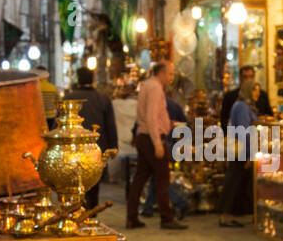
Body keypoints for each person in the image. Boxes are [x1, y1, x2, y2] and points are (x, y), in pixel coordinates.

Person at [125, 59, 187, 231]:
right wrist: (157, 143)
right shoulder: (155, 88)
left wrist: (167, 123)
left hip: (145, 136)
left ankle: (132, 217)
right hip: (151, 139)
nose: (172, 77)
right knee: (162, 178)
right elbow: (151, 117)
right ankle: (166, 218)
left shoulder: (148, 85)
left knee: (140, 178)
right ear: (162, 73)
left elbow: (151, 116)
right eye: (171, 73)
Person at [64, 67, 118, 209]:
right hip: (96, 147)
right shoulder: (103, 98)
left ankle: (72, 211)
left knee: (70, 183)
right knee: (93, 182)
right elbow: (110, 124)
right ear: (93, 79)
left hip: (71, 148)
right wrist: (113, 146)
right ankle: (91, 213)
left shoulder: (69, 98)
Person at [140, 93, 189, 220]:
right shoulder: (174, 105)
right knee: (157, 175)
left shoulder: (154, 106)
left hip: (159, 144)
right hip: (169, 143)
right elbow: (184, 124)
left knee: (160, 176)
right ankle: (148, 207)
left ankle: (179, 202)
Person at [218, 77, 257, 227]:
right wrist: (248, 154)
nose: (257, 94)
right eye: (255, 90)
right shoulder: (242, 107)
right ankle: (225, 216)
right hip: (240, 150)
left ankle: (230, 214)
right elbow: (244, 131)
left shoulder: (243, 105)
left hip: (239, 149)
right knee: (233, 182)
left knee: (236, 181)